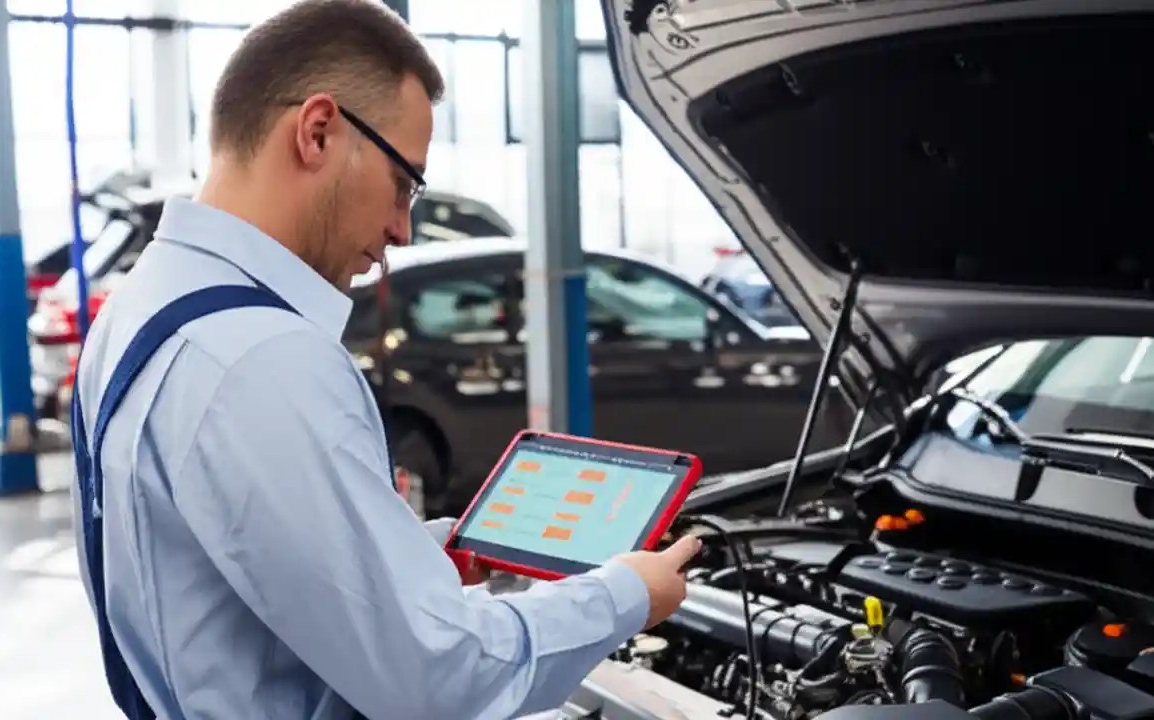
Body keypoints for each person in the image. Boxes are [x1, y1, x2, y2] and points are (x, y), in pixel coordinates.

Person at [68, 1, 701, 719]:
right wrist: (625, 596)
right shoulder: (263, 359)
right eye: (405, 182)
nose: (402, 229)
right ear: (317, 131)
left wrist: (419, 561)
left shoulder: (142, 307)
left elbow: (239, 569)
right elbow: (436, 677)